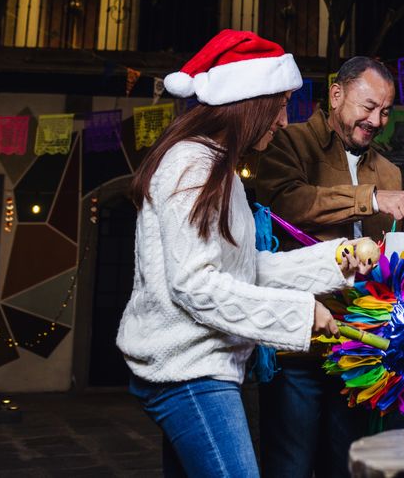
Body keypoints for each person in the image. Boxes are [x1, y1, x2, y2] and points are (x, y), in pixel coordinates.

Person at [116, 30, 363, 478]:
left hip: (197, 367)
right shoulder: (193, 165)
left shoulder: (218, 168)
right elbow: (196, 285)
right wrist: (300, 314)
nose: (283, 120)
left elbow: (244, 269)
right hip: (189, 372)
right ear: (249, 103)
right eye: (279, 105)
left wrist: (334, 260)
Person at [254, 56, 404, 478]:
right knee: (289, 467)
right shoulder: (287, 142)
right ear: (337, 94)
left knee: (346, 467)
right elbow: (287, 202)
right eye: (369, 107)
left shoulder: (390, 170)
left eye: (385, 111)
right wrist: (370, 199)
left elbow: (391, 254)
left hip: (362, 347)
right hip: (298, 343)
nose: (377, 120)